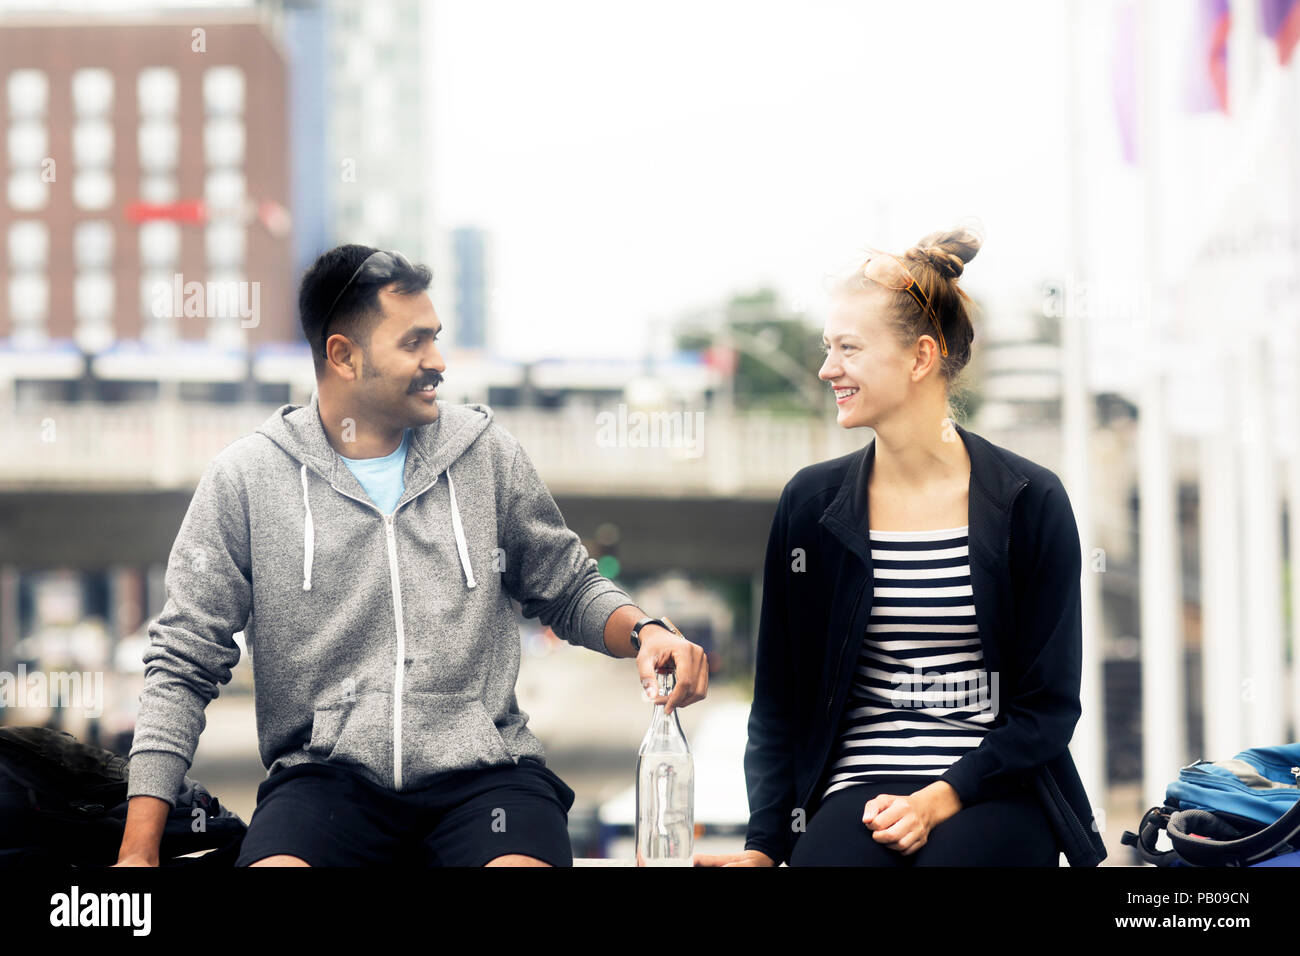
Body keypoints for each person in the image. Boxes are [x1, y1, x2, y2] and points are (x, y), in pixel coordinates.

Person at [113, 244, 708, 867]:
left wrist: (644, 631)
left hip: (486, 781)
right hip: (326, 785)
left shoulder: (486, 455)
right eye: (415, 343)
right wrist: (137, 852)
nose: (438, 362)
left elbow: (569, 585)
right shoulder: (247, 478)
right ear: (343, 355)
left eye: (437, 339)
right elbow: (182, 662)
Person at [697, 226, 1106, 867]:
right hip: (854, 795)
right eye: (828, 348)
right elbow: (780, 700)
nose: (828, 368)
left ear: (919, 358)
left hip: (993, 788)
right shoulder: (811, 506)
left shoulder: (1029, 501)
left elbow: (1048, 709)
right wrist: (765, 845)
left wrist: (939, 798)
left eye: (849, 349)